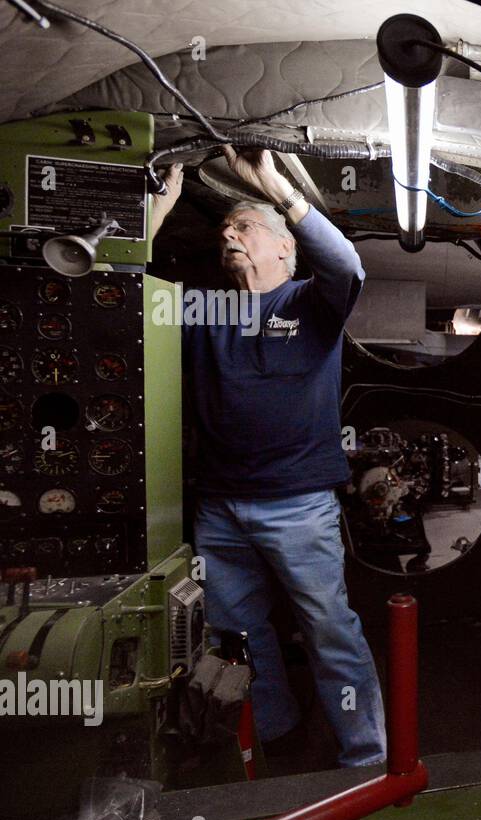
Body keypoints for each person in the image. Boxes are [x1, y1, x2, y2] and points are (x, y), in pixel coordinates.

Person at [150, 148, 387, 768]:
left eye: (247, 228)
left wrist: (279, 192)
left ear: (287, 248)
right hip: (219, 509)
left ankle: (365, 758)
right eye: (226, 230)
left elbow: (347, 265)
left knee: (330, 633)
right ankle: (273, 732)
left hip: (299, 508)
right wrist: (159, 212)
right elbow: (123, 294)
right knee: (237, 637)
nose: (231, 235)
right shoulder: (205, 307)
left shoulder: (310, 302)